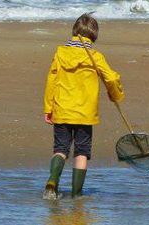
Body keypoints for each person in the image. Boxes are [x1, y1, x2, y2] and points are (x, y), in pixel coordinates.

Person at [42, 13, 125, 199]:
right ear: (93, 36)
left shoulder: (60, 52)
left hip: (62, 109)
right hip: (85, 113)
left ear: (75, 32)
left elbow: (51, 81)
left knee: (60, 149)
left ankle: (52, 181)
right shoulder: (95, 56)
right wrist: (116, 95)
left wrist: (48, 107)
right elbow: (111, 78)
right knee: (81, 152)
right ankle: (76, 194)